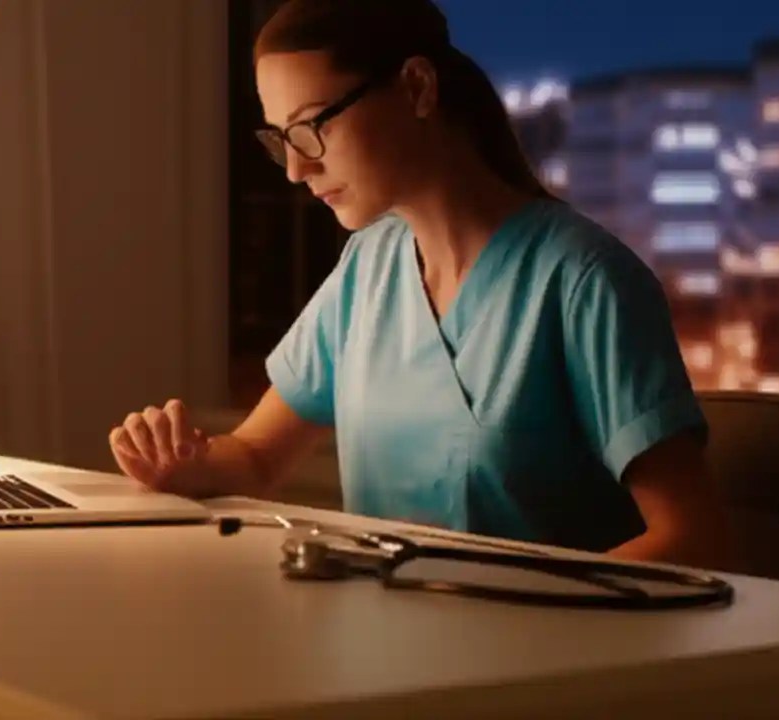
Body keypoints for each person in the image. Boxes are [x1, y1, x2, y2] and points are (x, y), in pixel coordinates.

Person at [109, 0, 732, 569]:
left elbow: (692, 536)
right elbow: (256, 456)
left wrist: (533, 619)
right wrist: (177, 463)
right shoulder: (368, 268)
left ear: (416, 87)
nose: (298, 169)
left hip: (532, 666)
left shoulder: (583, 282)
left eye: (312, 128)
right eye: (281, 141)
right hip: (381, 649)